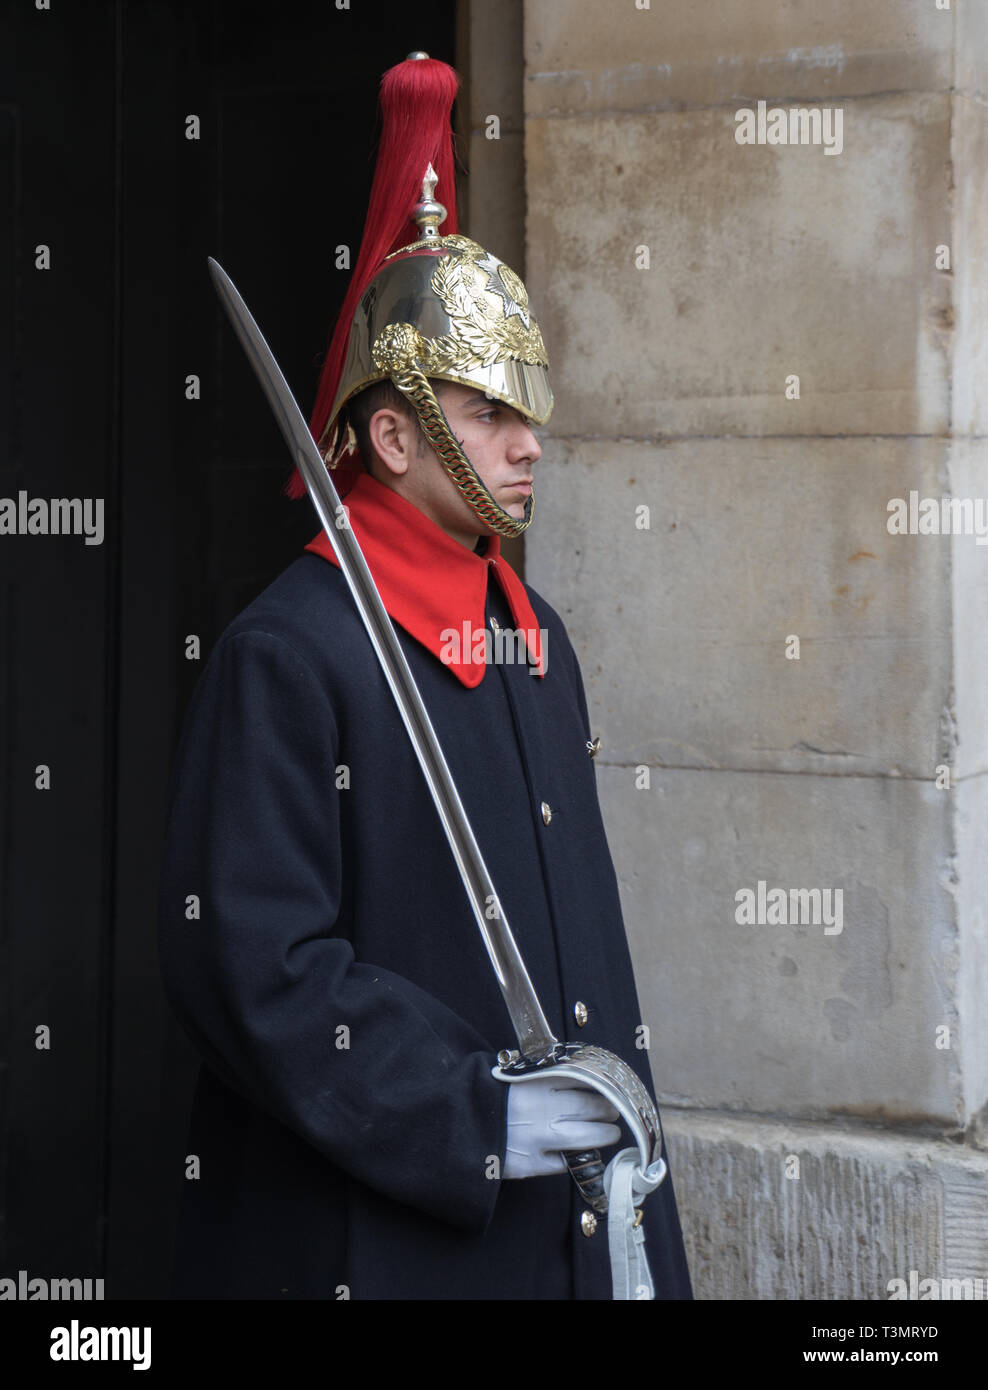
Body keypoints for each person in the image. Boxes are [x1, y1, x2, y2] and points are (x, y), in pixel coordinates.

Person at [158, 53, 692, 1301]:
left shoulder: (537, 633)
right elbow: (252, 969)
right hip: (389, 1237)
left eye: (530, 407)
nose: (528, 442)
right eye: (487, 410)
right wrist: (474, 1115)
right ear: (392, 433)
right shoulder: (290, 652)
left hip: (573, 1222)